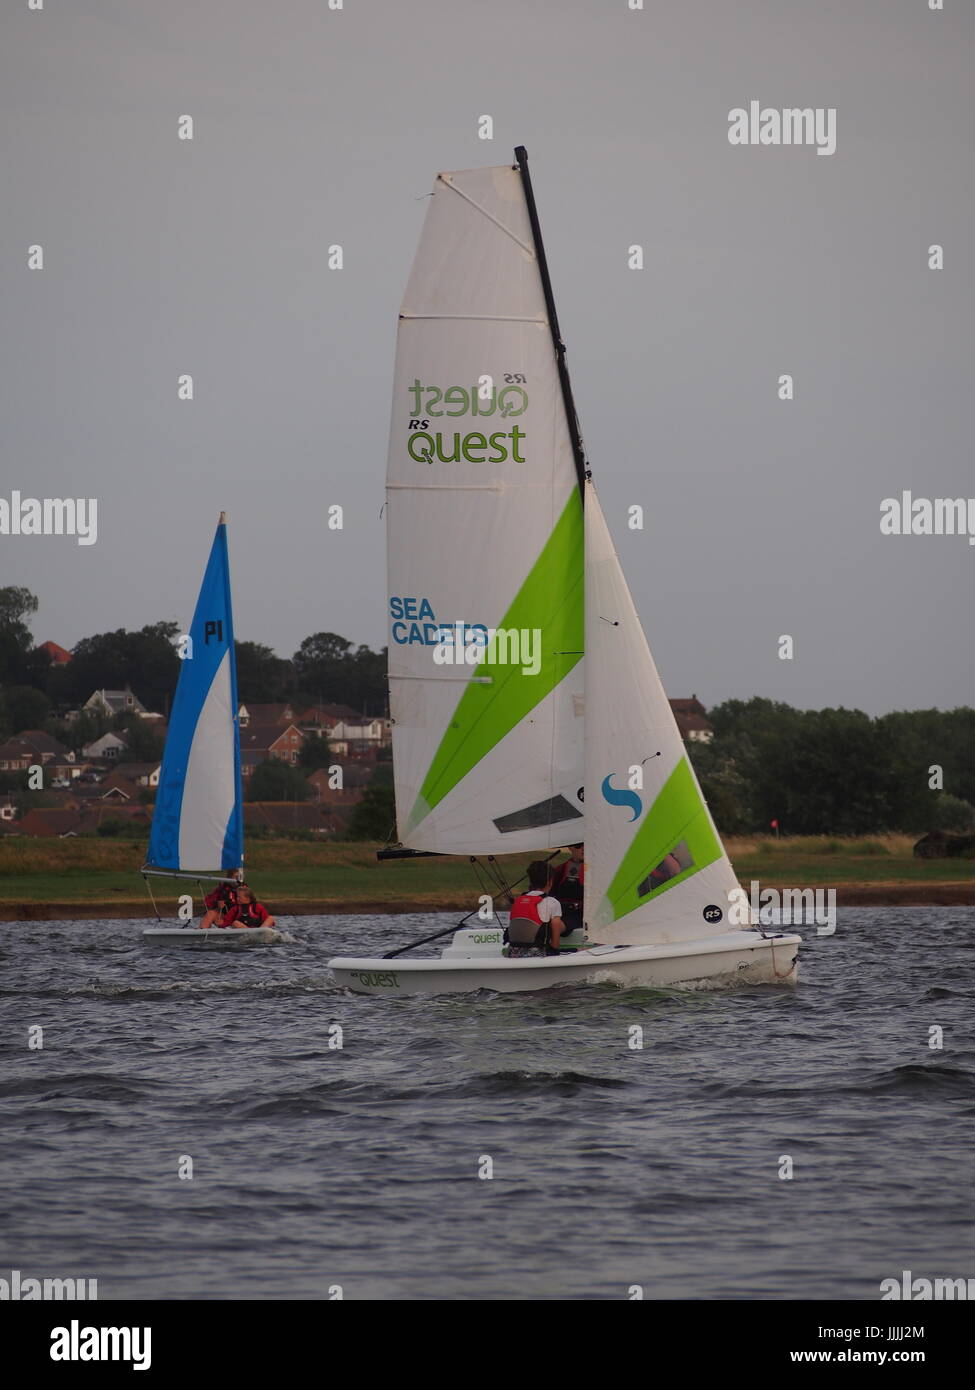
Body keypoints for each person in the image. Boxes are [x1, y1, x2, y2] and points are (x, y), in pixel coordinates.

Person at [506, 861, 565, 956]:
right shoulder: (553, 902)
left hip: (512, 952)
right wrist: (554, 949)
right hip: (537, 953)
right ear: (550, 882)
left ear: (531, 881)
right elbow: (555, 941)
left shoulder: (518, 900)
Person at [548, 843, 584, 936]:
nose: (583, 849)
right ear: (570, 848)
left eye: (587, 845)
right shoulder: (560, 869)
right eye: (579, 846)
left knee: (555, 926)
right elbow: (549, 893)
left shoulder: (596, 870)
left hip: (580, 914)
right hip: (560, 911)